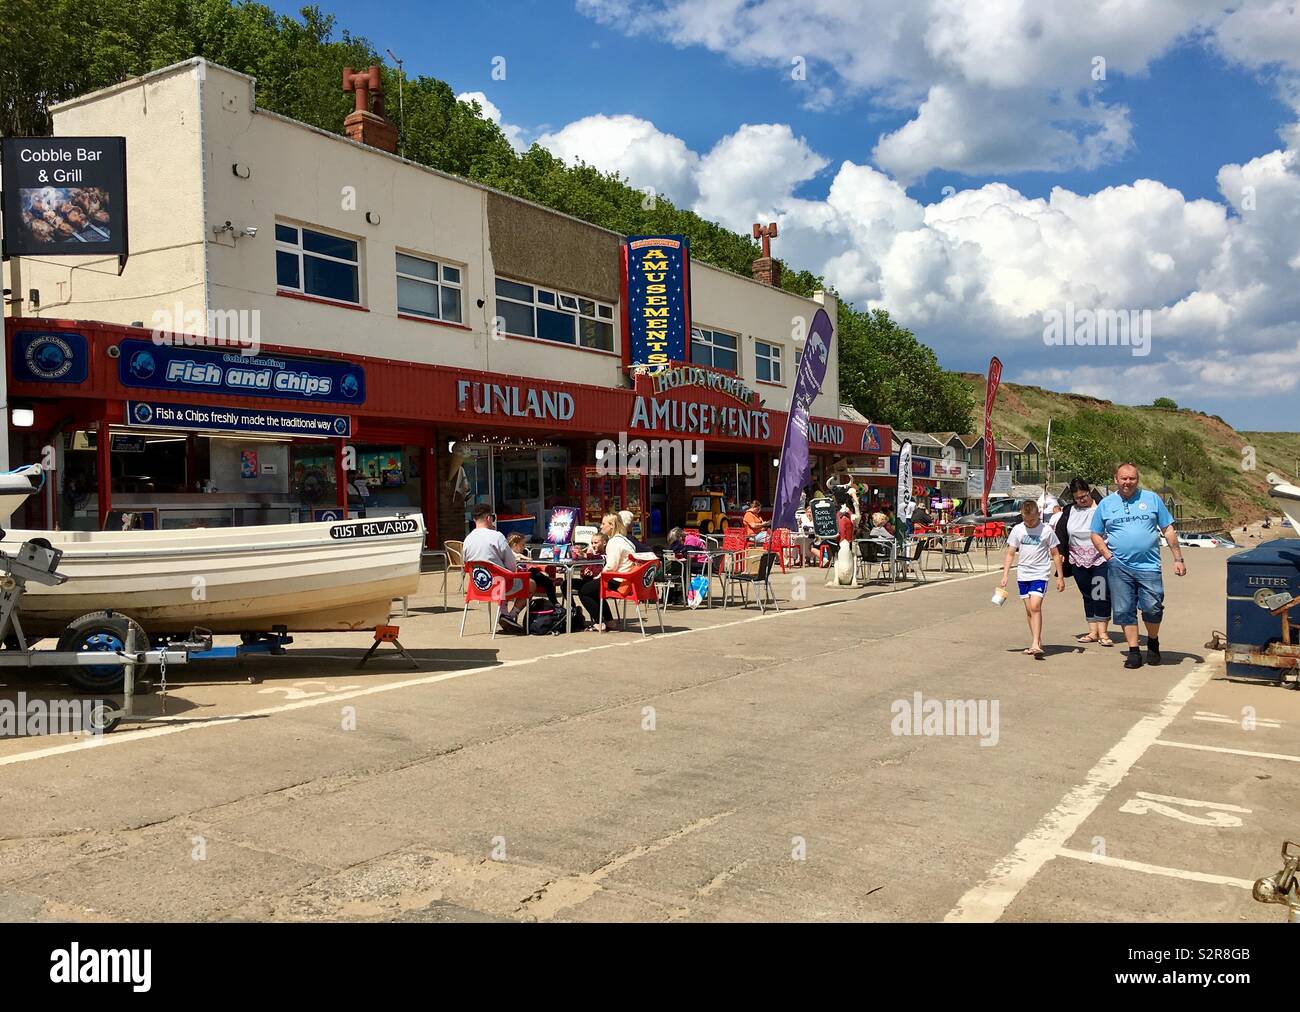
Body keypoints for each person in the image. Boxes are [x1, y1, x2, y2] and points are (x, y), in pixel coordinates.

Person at [1089, 463, 1186, 669]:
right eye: (1123, 478)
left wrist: (1178, 558)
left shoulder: (1152, 499)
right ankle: (1134, 651)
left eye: (1132, 478)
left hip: (1149, 566)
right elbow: (1095, 533)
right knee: (1124, 610)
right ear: (1116, 479)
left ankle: (1152, 641)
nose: (1127, 482)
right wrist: (1107, 556)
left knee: (1153, 607)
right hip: (1119, 566)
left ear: (1137, 479)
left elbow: (1167, 529)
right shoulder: (1106, 504)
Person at [1000, 500, 1065, 659]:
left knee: (1035, 606)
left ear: (1038, 515)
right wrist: (1005, 574)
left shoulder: (1046, 530)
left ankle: (1035, 642)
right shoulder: (1018, 530)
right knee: (1029, 610)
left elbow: (1056, 554)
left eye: (1032, 520)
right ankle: (1037, 641)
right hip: (1023, 574)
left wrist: (1060, 576)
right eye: (1026, 519)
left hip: (1040, 573)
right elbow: (1010, 553)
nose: (1029, 523)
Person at [1054, 478, 1113, 646]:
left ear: (1089, 492)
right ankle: (1092, 631)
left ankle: (1103, 632)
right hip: (1077, 559)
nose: (1082, 500)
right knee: (1087, 595)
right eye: (1077, 498)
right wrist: (1061, 552)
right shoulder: (1069, 511)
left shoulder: (1100, 508)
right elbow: (1061, 533)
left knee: (1100, 593)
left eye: (1084, 496)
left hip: (1099, 558)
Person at [577, 513, 637, 632]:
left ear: (612, 526)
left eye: (603, 523)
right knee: (592, 589)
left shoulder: (614, 542)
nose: (601, 526)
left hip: (618, 581)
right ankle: (609, 621)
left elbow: (611, 566)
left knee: (584, 591)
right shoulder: (625, 540)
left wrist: (598, 577)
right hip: (626, 579)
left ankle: (599, 622)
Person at [504, 532, 558, 613]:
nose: (524, 547)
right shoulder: (512, 554)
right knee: (544, 580)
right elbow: (519, 557)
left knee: (536, 573)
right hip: (519, 580)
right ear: (515, 545)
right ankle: (555, 602)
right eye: (522, 545)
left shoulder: (510, 553)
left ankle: (550, 582)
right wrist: (526, 558)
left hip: (522, 577)